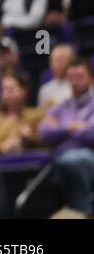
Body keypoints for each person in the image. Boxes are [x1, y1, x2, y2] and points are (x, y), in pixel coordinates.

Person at [37, 56, 94, 216]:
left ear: (90, 78)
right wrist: (70, 128)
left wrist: (60, 129)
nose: (75, 82)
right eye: (71, 78)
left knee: (75, 160)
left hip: (87, 155)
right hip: (59, 156)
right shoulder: (60, 107)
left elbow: (92, 133)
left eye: (80, 77)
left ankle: (84, 209)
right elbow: (44, 132)